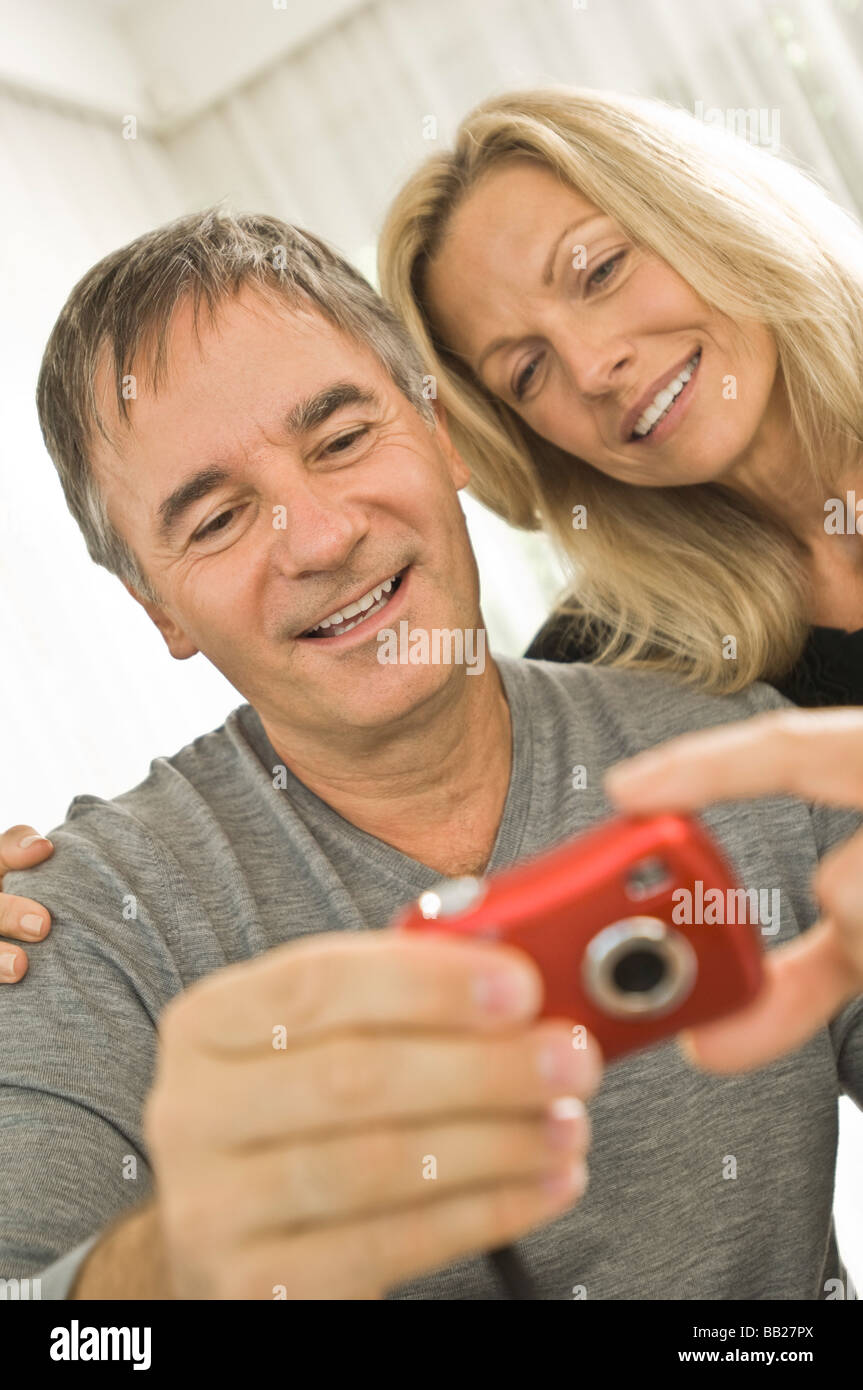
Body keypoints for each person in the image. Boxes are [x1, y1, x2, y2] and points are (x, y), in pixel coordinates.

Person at [1, 207, 861, 1302]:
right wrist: (173, 1267)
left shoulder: (736, 747)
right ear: (157, 608)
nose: (321, 538)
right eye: (216, 519)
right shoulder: (79, 930)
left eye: (342, 441)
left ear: (441, 432)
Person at [379, 87, 863, 706]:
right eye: (528, 371)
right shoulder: (593, 674)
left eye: (601, 271)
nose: (591, 370)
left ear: (710, 214)